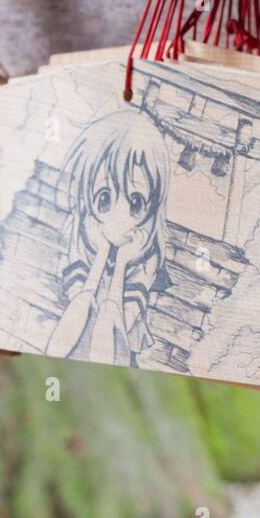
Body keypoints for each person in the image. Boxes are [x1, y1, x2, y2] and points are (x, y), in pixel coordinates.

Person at [46, 109, 170, 366]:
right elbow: (77, 306)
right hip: (74, 343)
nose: (118, 216)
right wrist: (103, 253)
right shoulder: (82, 230)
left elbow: (116, 323)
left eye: (136, 202)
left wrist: (122, 263)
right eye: (104, 198)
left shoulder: (149, 254)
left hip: (118, 354)